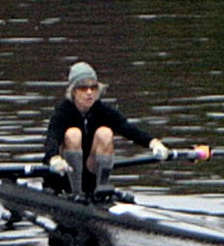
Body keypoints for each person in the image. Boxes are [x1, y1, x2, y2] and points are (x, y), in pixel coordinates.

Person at [43, 62, 154, 204]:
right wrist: (54, 158)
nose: (89, 92)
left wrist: (154, 143)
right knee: (73, 134)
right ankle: (76, 193)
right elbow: (52, 138)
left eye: (93, 87)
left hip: (89, 172)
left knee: (105, 133)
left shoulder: (102, 110)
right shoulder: (63, 112)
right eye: (83, 88)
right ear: (73, 91)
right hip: (63, 175)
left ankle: (101, 190)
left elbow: (127, 128)